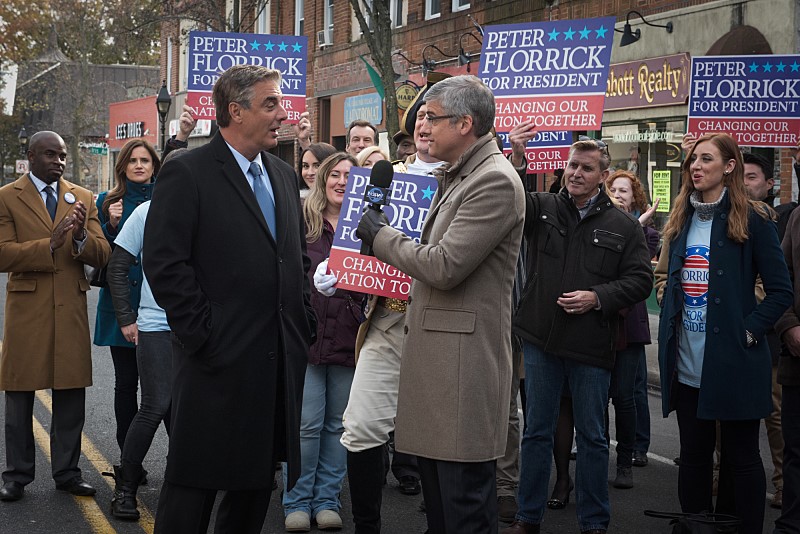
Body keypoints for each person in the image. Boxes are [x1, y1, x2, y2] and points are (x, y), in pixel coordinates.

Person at [142, 65, 316, 534]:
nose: (283, 113)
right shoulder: (188, 171)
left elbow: (293, 258)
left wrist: (304, 323)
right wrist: (204, 333)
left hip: (275, 361)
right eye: (271, 104)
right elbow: (164, 262)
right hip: (215, 362)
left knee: (254, 487)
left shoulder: (281, 175)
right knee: (192, 487)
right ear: (235, 112)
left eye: (281, 102)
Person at [356, 75, 525, 533]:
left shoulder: (492, 181)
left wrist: (380, 236)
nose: (420, 125)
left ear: (465, 123)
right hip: (440, 370)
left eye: (431, 116)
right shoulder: (460, 174)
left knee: (463, 513)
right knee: (441, 514)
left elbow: (445, 265)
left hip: (461, 373)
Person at [506, 138, 654, 534]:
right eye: (572, 165)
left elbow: (641, 281)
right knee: (537, 431)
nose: (576, 173)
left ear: (603, 176)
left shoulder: (623, 225)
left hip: (590, 345)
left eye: (586, 168)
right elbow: (511, 197)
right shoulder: (544, 208)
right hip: (540, 339)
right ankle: (527, 516)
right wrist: (518, 158)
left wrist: (597, 297)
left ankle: (594, 522)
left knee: (592, 436)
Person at [322, 76, 448, 534]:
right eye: (420, 119)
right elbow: (360, 244)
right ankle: (367, 528)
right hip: (387, 322)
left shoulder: (468, 183)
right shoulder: (386, 176)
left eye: (435, 120)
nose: (424, 127)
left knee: (437, 441)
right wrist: (340, 273)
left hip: (438, 328)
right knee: (359, 429)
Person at [655, 133, 792, 534]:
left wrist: (748, 331)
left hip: (734, 361)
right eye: (693, 160)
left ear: (729, 166)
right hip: (687, 362)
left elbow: (781, 291)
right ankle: (697, 526)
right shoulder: (681, 219)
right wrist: (670, 305)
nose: (696, 166)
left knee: (742, 458)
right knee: (694, 457)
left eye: (706, 159)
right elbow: (668, 279)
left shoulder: (753, 219)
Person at [0, 131, 110, 502]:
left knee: (70, 394)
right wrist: (49, 243)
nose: (59, 162)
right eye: (50, 155)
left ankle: (67, 473)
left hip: (69, 309)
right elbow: (2, 254)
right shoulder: (6, 197)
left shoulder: (82, 197)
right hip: (27, 311)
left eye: (62, 156)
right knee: (18, 397)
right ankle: (16, 476)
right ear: (31, 156)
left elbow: (103, 254)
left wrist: (79, 237)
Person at [282, 152, 363, 532]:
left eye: (350, 175)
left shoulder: (368, 226)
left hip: (350, 338)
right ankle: (296, 500)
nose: (342, 181)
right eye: (335, 174)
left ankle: (327, 499)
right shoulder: (301, 219)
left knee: (338, 425)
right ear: (323, 179)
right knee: (306, 424)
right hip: (308, 338)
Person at [94, 139, 161, 463]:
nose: (138, 165)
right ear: (122, 166)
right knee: (126, 385)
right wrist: (111, 225)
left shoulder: (167, 197)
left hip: (158, 308)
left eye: (145, 160)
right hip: (120, 305)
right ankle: (128, 458)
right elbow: (99, 255)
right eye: (132, 160)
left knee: (162, 392)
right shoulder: (108, 200)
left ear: (153, 165)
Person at [742, 151, 796, 509]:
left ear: (769, 184)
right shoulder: (716, 217)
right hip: (733, 337)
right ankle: (720, 475)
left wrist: (754, 317)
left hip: (770, 335)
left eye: (752, 177)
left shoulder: (782, 219)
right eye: (741, 176)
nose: (745, 183)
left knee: (775, 418)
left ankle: (783, 484)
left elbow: (778, 281)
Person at [604, 171, 660, 489]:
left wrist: (635, 223)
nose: (619, 194)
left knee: (626, 396)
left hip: (629, 327)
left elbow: (641, 260)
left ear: (635, 196)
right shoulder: (598, 222)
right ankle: (598, 454)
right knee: (598, 399)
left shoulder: (647, 232)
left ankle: (627, 458)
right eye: (613, 189)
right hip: (600, 324)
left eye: (624, 190)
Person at [775, 207, 800, 534]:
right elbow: (781, 277)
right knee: (795, 451)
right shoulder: (797, 217)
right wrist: (789, 326)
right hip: (796, 357)